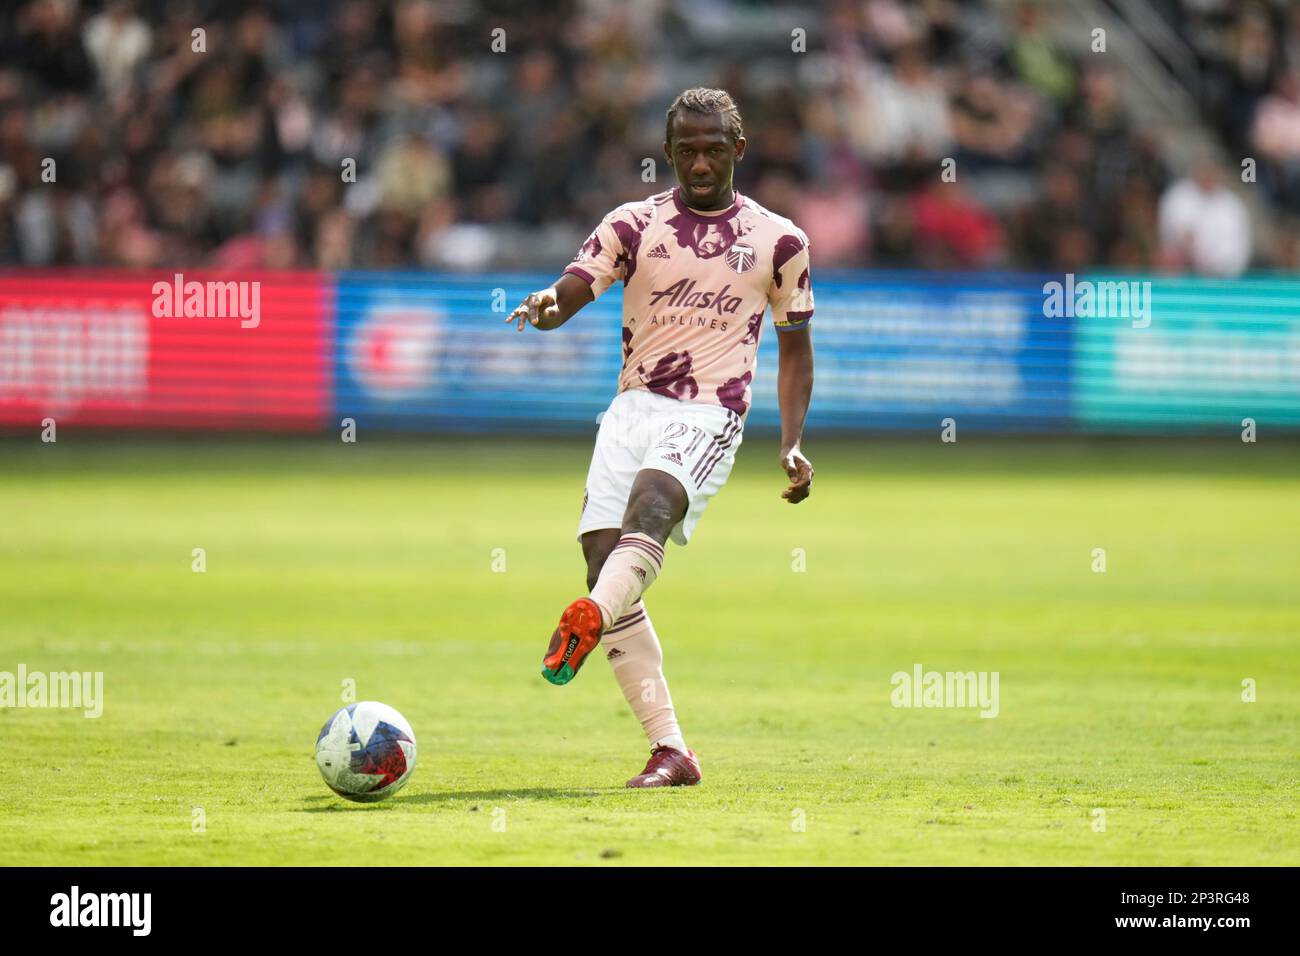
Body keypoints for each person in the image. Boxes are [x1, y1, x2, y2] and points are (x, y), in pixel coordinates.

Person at [506, 88, 816, 787]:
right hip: (632, 408)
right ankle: (672, 751)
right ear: (668, 152)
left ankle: (586, 617)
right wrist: (544, 306)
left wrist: (790, 442)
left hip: (711, 411)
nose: (700, 162)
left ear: (738, 150)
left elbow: (796, 348)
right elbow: (572, 289)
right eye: (687, 150)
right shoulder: (633, 224)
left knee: (650, 509)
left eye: (713, 148)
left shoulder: (780, 241)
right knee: (600, 558)